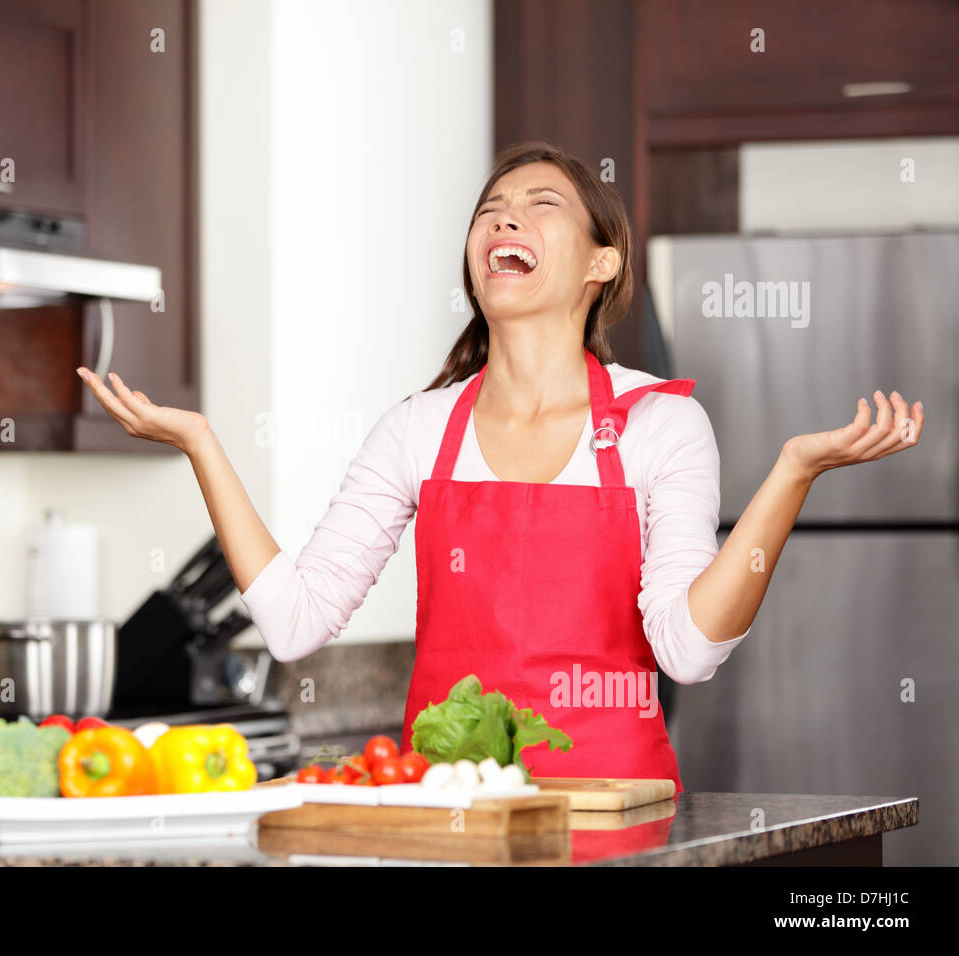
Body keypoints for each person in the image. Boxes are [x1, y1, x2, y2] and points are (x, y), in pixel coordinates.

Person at [77, 141, 924, 791]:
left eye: (541, 204)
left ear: (603, 263)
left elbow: (689, 650)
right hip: (450, 814)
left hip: (611, 810)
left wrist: (790, 476)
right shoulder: (419, 428)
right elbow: (296, 623)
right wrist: (202, 446)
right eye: (492, 209)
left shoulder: (658, 424)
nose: (505, 219)